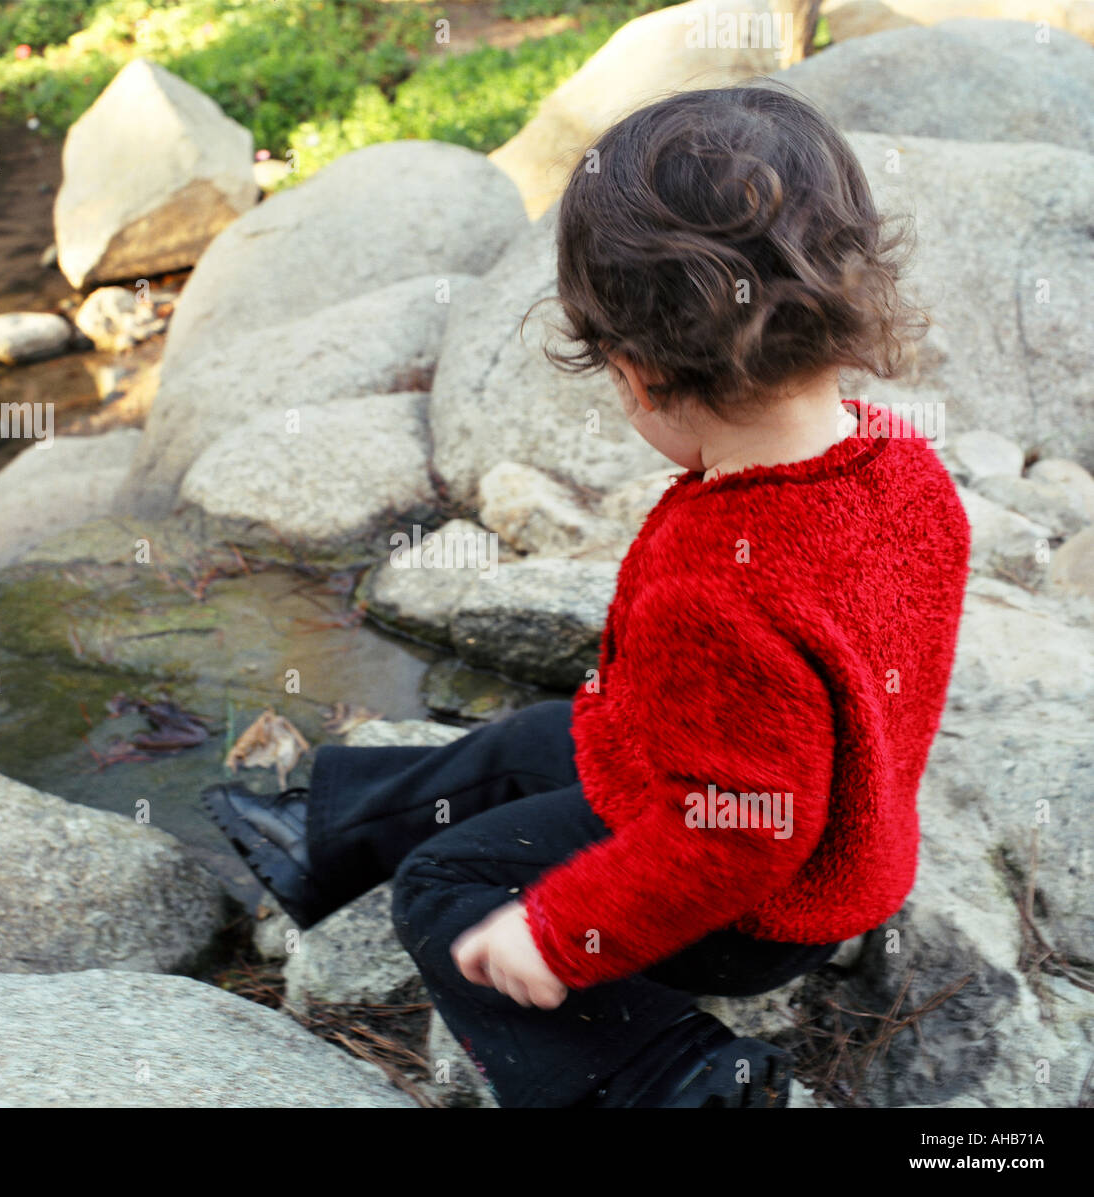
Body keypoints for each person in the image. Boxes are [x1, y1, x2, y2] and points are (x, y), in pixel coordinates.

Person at [203, 82, 972, 1108]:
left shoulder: (713, 587)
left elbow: (740, 831)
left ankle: (664, 1075)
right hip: (838, 845)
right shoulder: (904, 466)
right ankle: (327, 837)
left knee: (444, 891)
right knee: (550, 737)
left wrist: (558, 930)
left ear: (638, 374)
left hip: (753, 917)